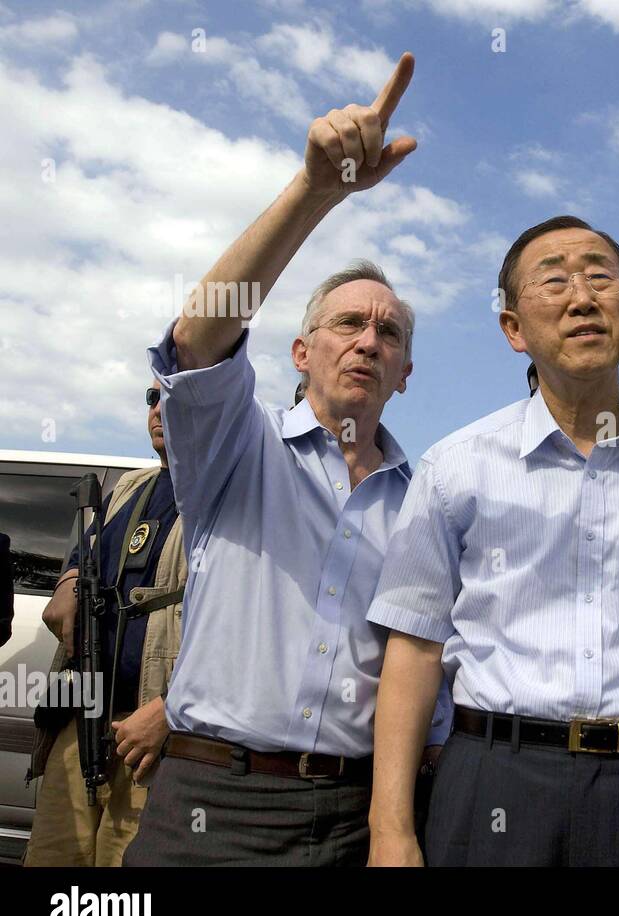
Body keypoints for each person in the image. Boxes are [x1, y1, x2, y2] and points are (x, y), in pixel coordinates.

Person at [365, 214, 619, 867]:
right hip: (497, 783)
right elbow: (413, 650)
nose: (582, 297)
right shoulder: (457, 467)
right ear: (512, 329)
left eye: (600, 277)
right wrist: (391, 831)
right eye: (553, 282)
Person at [124, 53, 449, 866]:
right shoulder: (240, 446)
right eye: (348, 324)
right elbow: (196, 341)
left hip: (355, 812)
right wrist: (316, 191)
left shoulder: (431, 503)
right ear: (301, 351)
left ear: (406, 374)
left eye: (390, 333)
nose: (368, 341)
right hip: (211, 802)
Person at [25, 383, 185, 867]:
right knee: (55, 853)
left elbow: (239, 624)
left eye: (172, 395)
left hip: (150, 732)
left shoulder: (222, 494)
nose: (158, 409)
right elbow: (84, 556)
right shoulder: (130, 486)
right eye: (151, 399)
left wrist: (169, 710)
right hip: (82, 713)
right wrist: (69, 579)